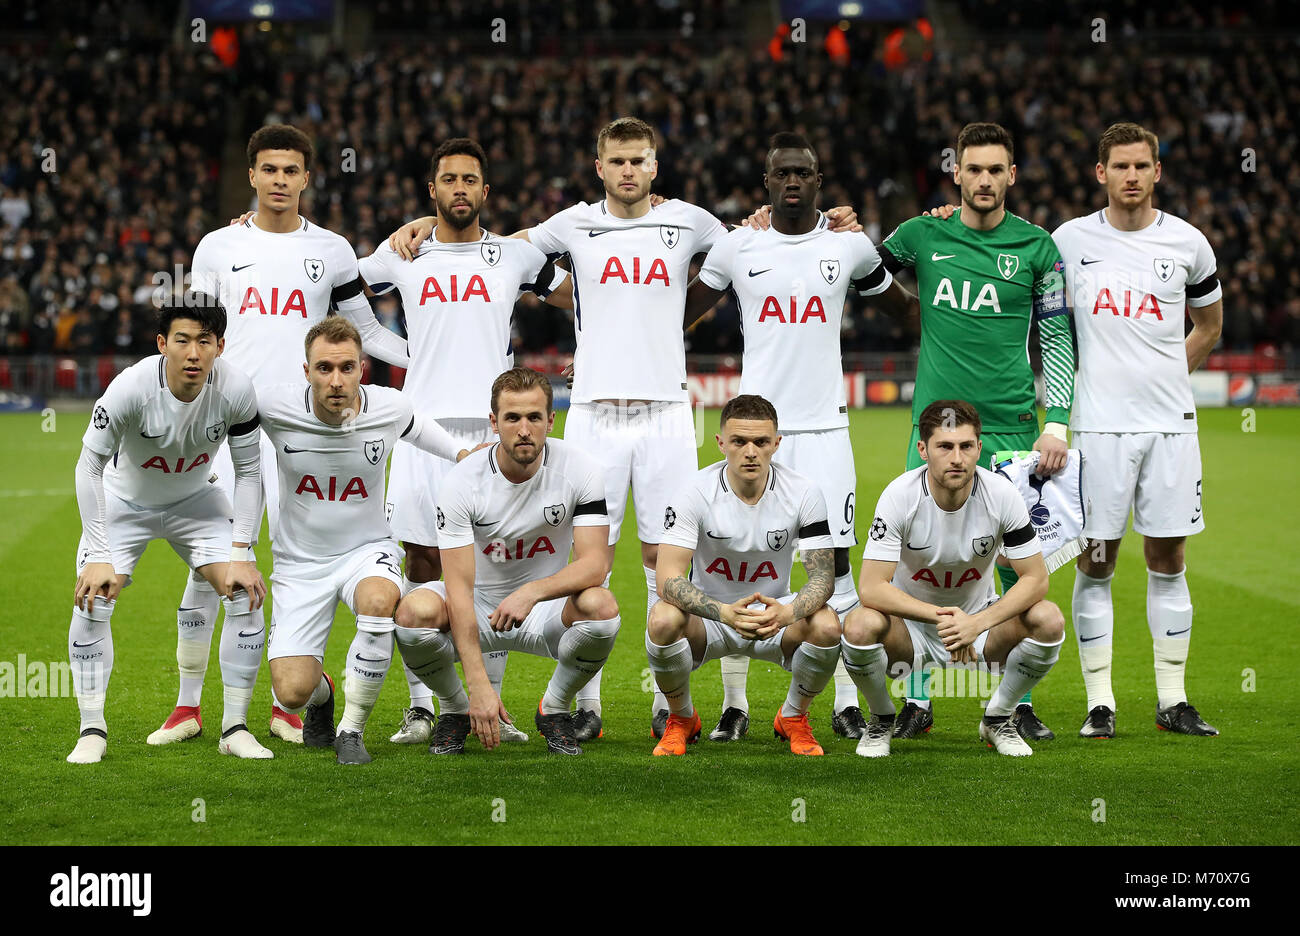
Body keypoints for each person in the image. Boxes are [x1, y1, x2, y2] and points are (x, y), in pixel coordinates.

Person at [387, 117, 861, 740]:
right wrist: (424, 227)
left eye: (640, 160)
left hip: (666, 412)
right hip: (593, 415)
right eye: (618, 161)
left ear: (655, 166)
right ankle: (587, 707)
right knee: (591, 557)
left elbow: (763, 237)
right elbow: (491, 243)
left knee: (667, 561)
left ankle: (672, 704)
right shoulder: (571, 225)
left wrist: (836, 224)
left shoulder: (691, 222)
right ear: (599, 166)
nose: (629, 171)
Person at [151, 125, 411, 748]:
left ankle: (288, 704)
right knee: (213, 565)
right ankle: (189, 707)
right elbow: (200, 336)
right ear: (251, 175)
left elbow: (367, 332)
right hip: (233, 428)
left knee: (306, 556)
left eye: (290, 170)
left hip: (306, 430)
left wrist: (432, 362)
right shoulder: (216, 247)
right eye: (269, 169)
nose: (279, 181)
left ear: (306, 177)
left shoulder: (333, 250)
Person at [684, 132, 915, 743]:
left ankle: (833, 701)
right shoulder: (738, 246)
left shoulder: (849, 245)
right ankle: (735, 704)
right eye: (781, 172)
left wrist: (931, 236)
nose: (792, 181)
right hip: (753, 432)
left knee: (832, 566)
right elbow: (678, 315)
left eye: (803, 173)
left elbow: (908, 311)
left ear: (818, 181)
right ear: (766, 182)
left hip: (825, 432)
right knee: (737, 560)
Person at [358, 137, 573, 747]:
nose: (458, 189)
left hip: (492, 430)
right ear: (433, 191)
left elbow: (582, 296)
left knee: (487, 570)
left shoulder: (512, 256)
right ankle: (428, 707)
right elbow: (342, 291)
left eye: (469, 180)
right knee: (422, 562)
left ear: (485, 192)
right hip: (420, 433)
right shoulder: (404, 253)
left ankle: (493, 702)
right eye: (447, 180)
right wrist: (407, 354)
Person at [871, 122, 1074, 741]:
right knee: (918, 560)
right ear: (954, 172)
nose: (984, 180)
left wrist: (1057, 420)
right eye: (973, 169)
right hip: (936, 426)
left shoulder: (1039, 249)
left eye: (996, 170)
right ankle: (919, 697)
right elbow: (853, 271)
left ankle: (1015, 701)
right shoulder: (921, 234)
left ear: (1011, 176)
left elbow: (1058, 334)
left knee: (1019, 568)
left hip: (1014, 427)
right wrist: (799, 231)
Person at [1052, 122, 1223, 738]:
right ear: (1100, 173)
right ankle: (1101, 702)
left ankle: (1172, 700)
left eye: (1141, 166)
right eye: (1119, 166)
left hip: (1171, 429)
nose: (1131, 176)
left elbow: (1209, 324)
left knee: (1168, 558)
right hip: (1097, 430)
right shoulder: (1068, 241)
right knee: (1096, 560)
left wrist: (1168, 379)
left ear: (1158, 172)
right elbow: (1046, 326)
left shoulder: (1188, 243)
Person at [257, 317, 470, 764]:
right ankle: (323, 695)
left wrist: (464, 456)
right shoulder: (273, 407)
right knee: (292, 692)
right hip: (299, 563)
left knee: (378, 602)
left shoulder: (389, 408)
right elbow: (220, 415)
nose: (336, 381)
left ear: (362, 368)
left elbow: (425, 430)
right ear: (306, 370)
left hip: (366, 551)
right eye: (324, 368)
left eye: (347, 367)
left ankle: (350, 730)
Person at [68, 294, 267, 763]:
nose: (193, 353)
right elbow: (88, 465)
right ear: (162, 343)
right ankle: (92, 729)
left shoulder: (236, 388)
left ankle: (234, 726)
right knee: (93, 597)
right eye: (182, 340)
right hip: (125, 504)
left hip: (197, 502)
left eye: (205, 340)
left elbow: (252, 472)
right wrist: (98, 553)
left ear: (220, 344)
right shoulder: (130, 387)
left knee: (244, 589)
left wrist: (243, 548)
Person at [392, 367, 621, 756]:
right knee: (412, 613)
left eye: (534, 417)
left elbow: (595, 564)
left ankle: (554, 708)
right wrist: (477, 684)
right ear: (493, 423)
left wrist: (532, 592)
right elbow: (459, 588)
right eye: (512, 418)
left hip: (544, 611)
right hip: (477, 606)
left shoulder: (580, 469)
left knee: (602, 608)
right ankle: (454, 709)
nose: (524, 429)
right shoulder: (462, 481)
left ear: (551, 420)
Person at [841, 400, 1066, 757]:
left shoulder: (1003, 495)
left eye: (965, 446)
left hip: (979, 633)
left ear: (979, 448)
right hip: (911, 635)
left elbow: (1035, 579)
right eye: (945, 447)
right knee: (858, 626)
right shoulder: (900, 496)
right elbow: (870, 587)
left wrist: (977, 623)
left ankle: (998, 717)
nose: (957, 458)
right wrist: (946, 618)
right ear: (923, 449)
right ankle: (882, 717)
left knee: (1049, 619)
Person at [647, 394, 842, 757]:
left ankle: (794, 717)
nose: (750, 451)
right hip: (713, 618)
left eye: (761, 442)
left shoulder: (804, 492)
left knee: (828, 625)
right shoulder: (693, 492)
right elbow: (667, 579)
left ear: (777, 444)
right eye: (739, 441)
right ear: (721, 443)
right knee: (662, 618)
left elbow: (823, 579)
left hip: (775, 615)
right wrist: (723, 612)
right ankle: (681, 719)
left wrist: (787, 613)